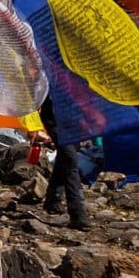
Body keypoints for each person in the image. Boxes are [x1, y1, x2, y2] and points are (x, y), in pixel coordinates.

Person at [37, 97, 89, 230]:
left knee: (64, 158)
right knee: (70, 160)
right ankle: (77, 214)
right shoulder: (46, 77)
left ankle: (52, 201)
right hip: (54, 119)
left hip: (72, 120)